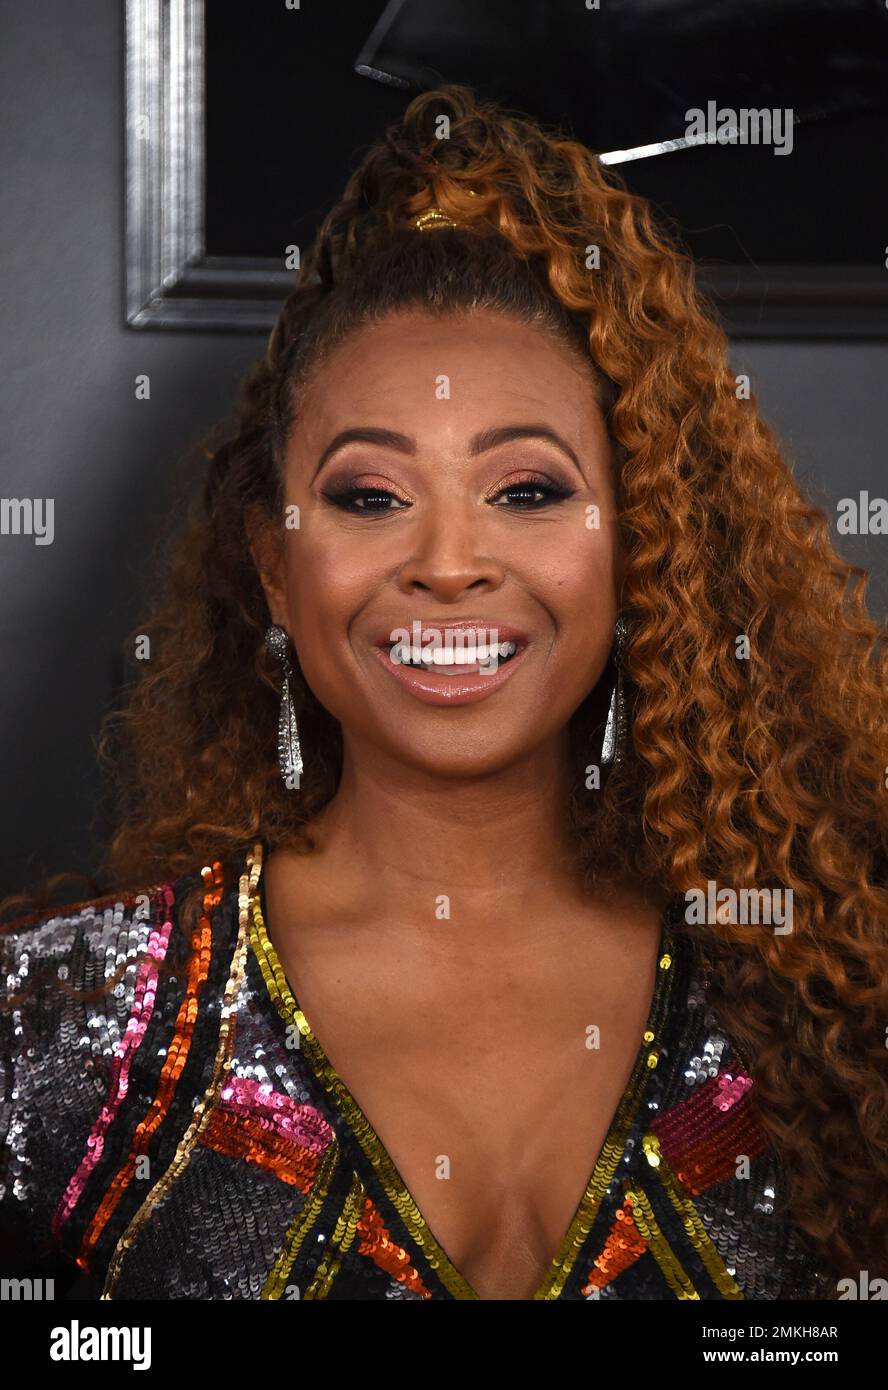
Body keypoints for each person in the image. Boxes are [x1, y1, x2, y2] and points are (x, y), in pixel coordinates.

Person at [1, 82, 885, 1302]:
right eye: (371, 496)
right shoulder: (46, 1034)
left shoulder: (833, 1004)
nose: (450, 561)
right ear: (274, 561)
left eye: (527, 490)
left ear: (642, 547)